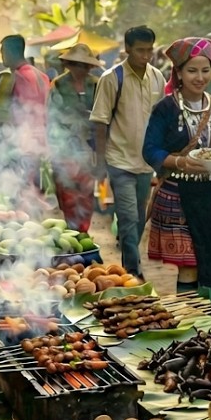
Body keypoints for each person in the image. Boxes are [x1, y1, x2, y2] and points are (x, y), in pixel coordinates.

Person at [143, 37, 211, 303]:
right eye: (192, 70)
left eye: (205, 70)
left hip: (209, 192)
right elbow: (150, 150)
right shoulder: (166, 108)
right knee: (189, 263)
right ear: (179, 73)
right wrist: (179, 162)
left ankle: (209, 323)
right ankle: (192, 324)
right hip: (176, 193)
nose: (200, 77)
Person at [90, 25, 165, 279]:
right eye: (140, 51)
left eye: (149, 50)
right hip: (119, 161)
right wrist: (100, 165)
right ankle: (133, 271)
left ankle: (128, 248)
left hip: (146, 163)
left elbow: (162, 119)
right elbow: (100, 122)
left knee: (139, 218)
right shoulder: (112, 78)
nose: (146, 56)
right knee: (130, 216)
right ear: (128, 50)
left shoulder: (157, 77)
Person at [47, 44, 102, 232]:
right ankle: (72, 232)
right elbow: (51, 117)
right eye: (76, 64)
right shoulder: (58, 84)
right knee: (67, 196)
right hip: (64, 149)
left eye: (84, 65)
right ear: (69, 64)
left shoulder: (97, 84)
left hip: (89, 149)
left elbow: (104, 116)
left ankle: (83, 233)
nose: (80, 69)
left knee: (86, 196)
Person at [0, 34, 51, 193]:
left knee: (21, 191)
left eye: (2, 51)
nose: (1, 56)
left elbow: (23, 113)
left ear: (9, 52)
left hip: (23, 143)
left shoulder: (20, 76)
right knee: (33, 191)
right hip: (40, 140)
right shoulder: (41, 75)